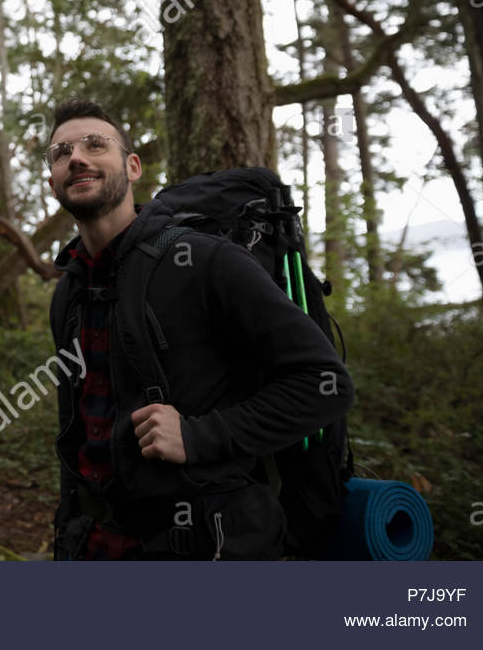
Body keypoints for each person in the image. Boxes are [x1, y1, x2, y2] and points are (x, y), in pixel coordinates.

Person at [44, 98, 355, 560]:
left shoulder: (206, 261)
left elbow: (325, 385)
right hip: (93, 544)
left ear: (132, 167)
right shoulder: (68, 292)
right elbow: (77, 429)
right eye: (60, 152)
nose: (77, 158)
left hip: (206, 545)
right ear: (52, 179)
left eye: (95, 144)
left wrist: (198, 436)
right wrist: (67, 530)